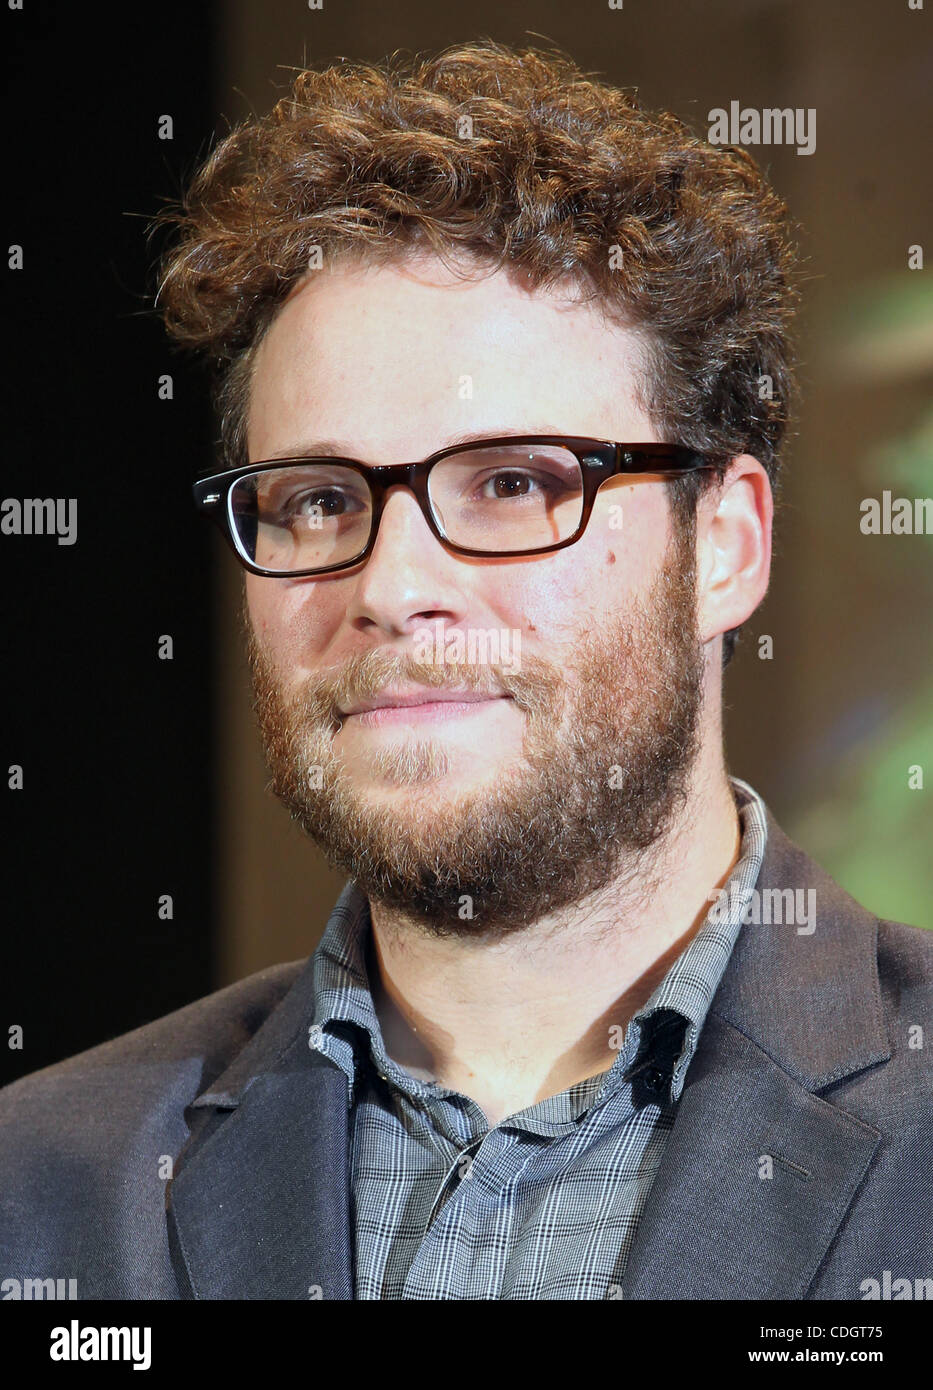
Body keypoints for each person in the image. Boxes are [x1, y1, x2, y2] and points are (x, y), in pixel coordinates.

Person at [1, 40, 930, 1302]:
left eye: (511, 483)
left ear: (725, 543)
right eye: (319, 499)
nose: (387, 589)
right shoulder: (39, 1187)